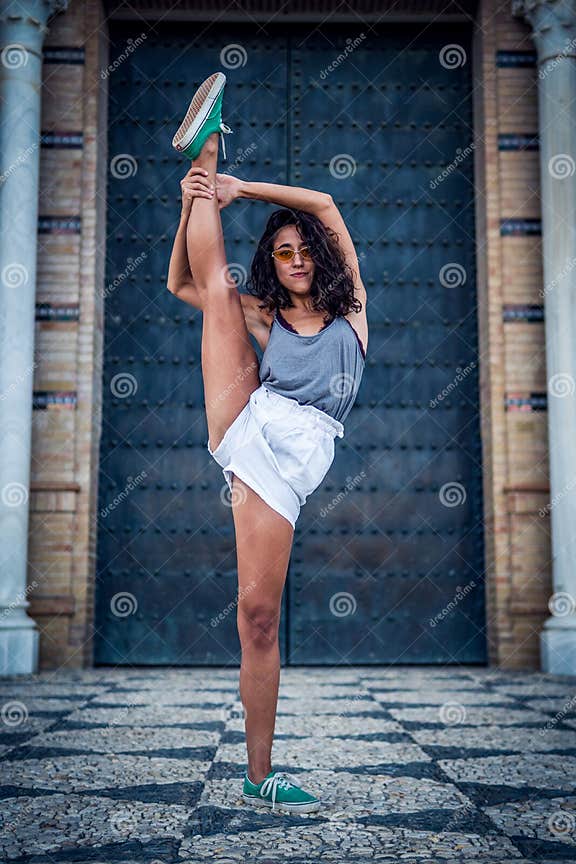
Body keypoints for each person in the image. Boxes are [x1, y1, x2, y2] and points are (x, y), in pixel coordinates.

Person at [167, 72, 368, 815]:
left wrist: (234, 192)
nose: (293, 258)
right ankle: (207, 141)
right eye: (280, 252)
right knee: (217, 290)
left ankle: (210, 163)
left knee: (259, 614)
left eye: (300, 250)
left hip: (300, 462)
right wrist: (199, 192)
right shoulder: (265, 315)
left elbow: (323, 204)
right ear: (274, 262)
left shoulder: (355, 314)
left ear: (317, 255)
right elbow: (185, 285)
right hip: (252, 423)